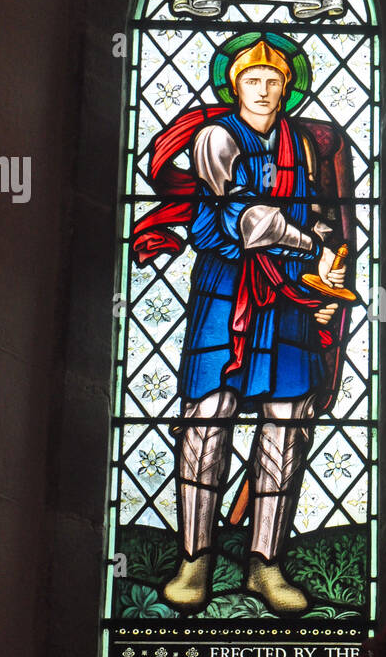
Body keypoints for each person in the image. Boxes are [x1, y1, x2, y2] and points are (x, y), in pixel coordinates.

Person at [133, 37, 348, 615]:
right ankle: (194, 559)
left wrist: (329, 274)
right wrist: (312, 250)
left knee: (287, 421)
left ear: (286, 87)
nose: (263, 88)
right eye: (252, 78)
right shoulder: (218, 137)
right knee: (208, 417)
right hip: (228, 288)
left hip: (290, 297)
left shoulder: (305, 146)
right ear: (235, 85)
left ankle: (265, 563)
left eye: (273, 80)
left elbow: (327, 216)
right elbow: (245, 217)